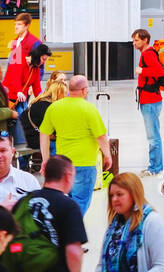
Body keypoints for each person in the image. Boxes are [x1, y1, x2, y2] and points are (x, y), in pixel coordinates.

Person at [10, 154, 88, 272]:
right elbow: (73, 251)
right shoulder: (68, 206)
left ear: (45, 174)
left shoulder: (23, 201)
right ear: (68, 176)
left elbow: (9, 243)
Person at [38, 75, 111, 216]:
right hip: (85, 164)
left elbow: (44, 134)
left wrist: (46, 160)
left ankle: (62, 230)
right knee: (80, 203)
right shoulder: (89, 109)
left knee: (67, 201)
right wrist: (107, 155)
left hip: (62, 164)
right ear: (84, 90)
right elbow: (101, 136)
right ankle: (69, 232)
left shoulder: (54, 107)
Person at [132, 28, 164, 178]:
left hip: (150, 101)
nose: (134, 43)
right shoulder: (147, 54)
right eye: (133, 40)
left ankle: (155, 167)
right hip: (151, 99)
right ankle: (155, 165)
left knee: (153, 137)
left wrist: (141, 71)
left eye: (137, 40)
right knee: (153, 135)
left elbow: (159, 72)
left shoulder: (148, 54)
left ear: (145, 40)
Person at [2, 12, 44, 105]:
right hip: (11, 85)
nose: (16, 27)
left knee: (20, 111)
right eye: (15, 24)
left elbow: (39, 67)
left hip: (23, 86)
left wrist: (31, 86)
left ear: (27, 26)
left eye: (19, 24)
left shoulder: (35, 42)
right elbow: (11, 65)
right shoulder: (16, 41)